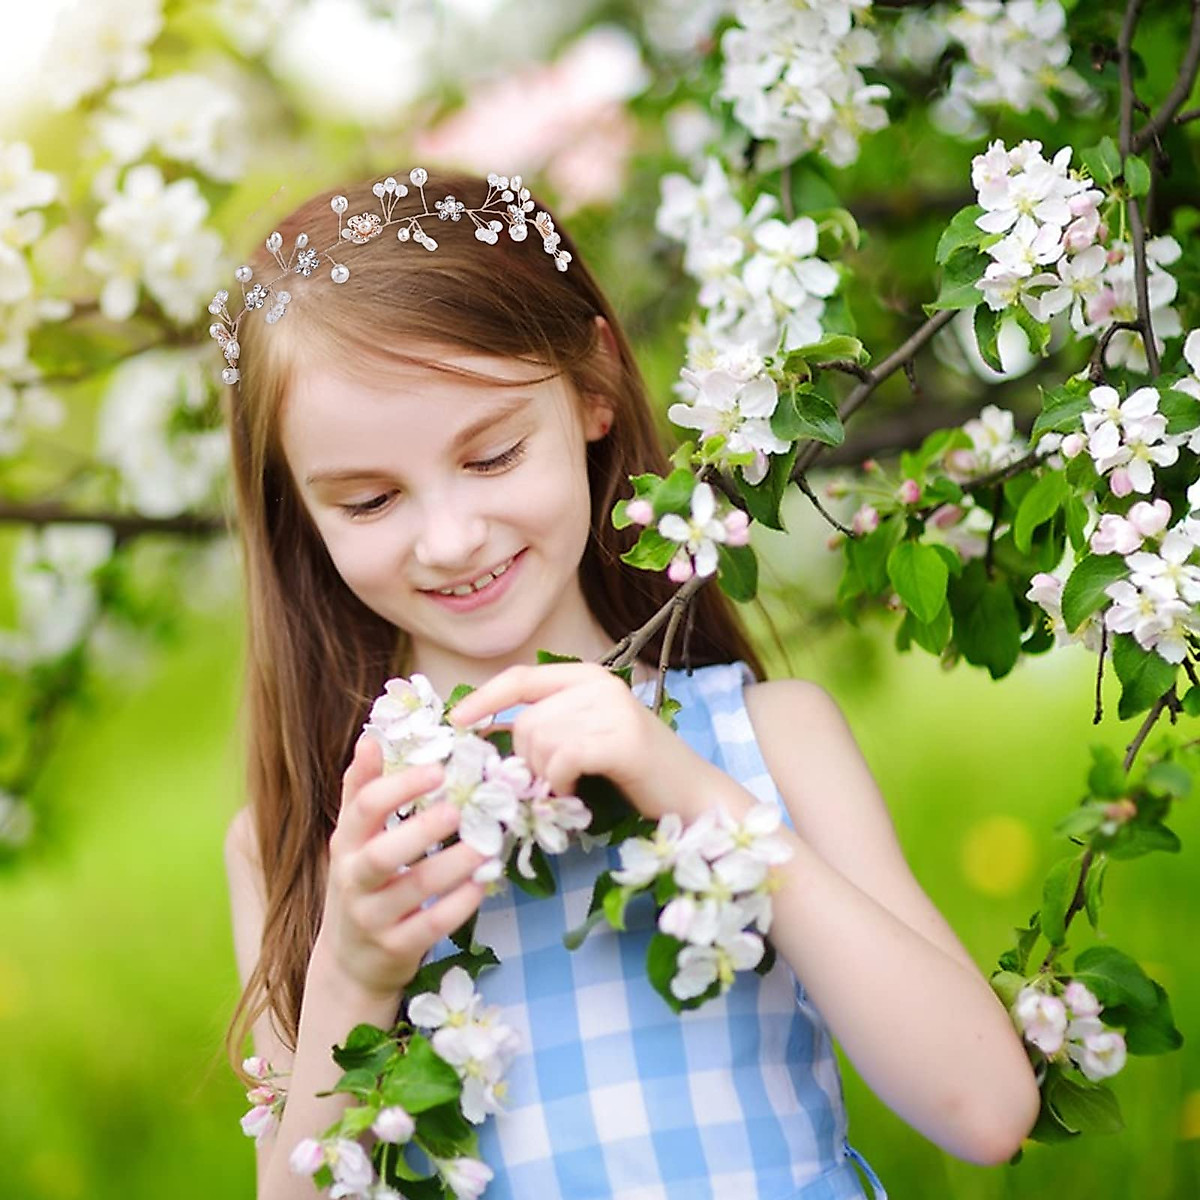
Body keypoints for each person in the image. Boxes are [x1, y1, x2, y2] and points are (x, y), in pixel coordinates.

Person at [221, 167, 1041, 1200]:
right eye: (373, 498)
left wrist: (694, 794)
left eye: (492, 455)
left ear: (593, 390)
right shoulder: (312, 831)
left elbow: (985, 1108)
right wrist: (355, 971)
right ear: (300, 507)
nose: (451, 537)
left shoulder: (762, 735)